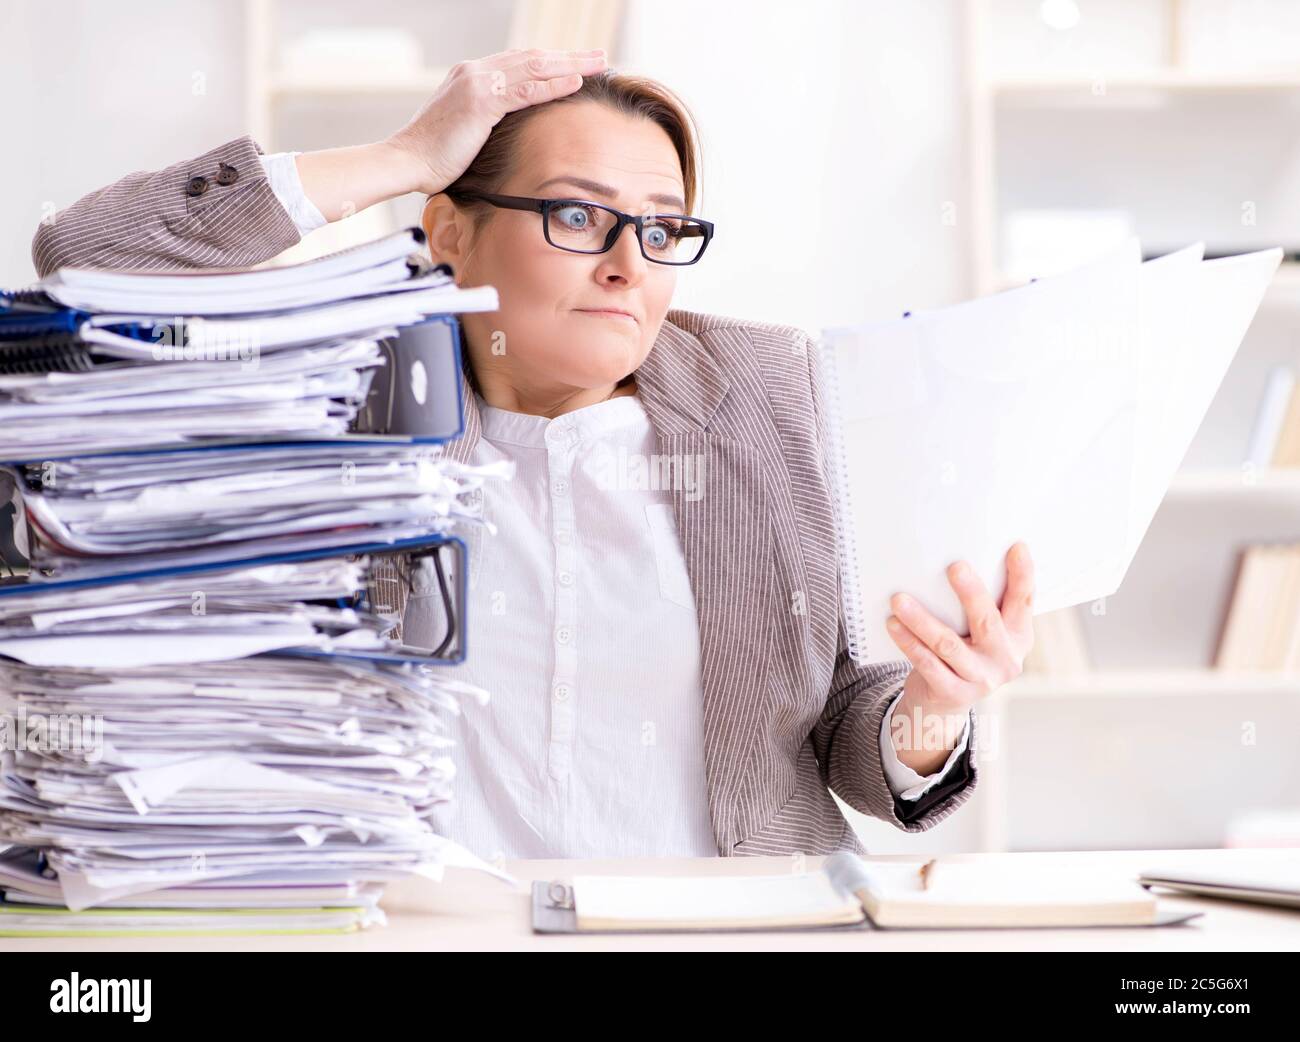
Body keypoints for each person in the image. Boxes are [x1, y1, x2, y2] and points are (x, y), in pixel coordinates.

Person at [32, 48, 1035, 860]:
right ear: (449, 234)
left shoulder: (779, 400)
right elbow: (89, 262)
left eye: (661, 228)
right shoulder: (340, 386)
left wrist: (931, 709)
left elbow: (851, 737)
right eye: (576, 214)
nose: (626, 265)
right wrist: (404, 155)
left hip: (729, 934)